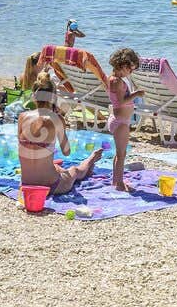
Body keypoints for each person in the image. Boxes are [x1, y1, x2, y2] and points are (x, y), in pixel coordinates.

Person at [17, 71, 106, 196]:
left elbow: (25, 148)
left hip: (26, 185)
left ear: (33, 95)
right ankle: (90, 160)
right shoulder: (56, 119)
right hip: (51, 186)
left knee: (52, 164)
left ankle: (56, 168)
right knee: (74, 170)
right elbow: (66, 151)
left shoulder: (22, 117)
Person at [105, 47, 140, 192]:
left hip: (118, 119)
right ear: (123, 65)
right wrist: (136, 94)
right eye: (130, 69)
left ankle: (116, 181)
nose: (131, 72)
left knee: (120, 153)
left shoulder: (112, 79)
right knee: (121, 154)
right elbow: (121, 101)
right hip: (120, 122)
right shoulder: (117, 81)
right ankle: (119, 184)